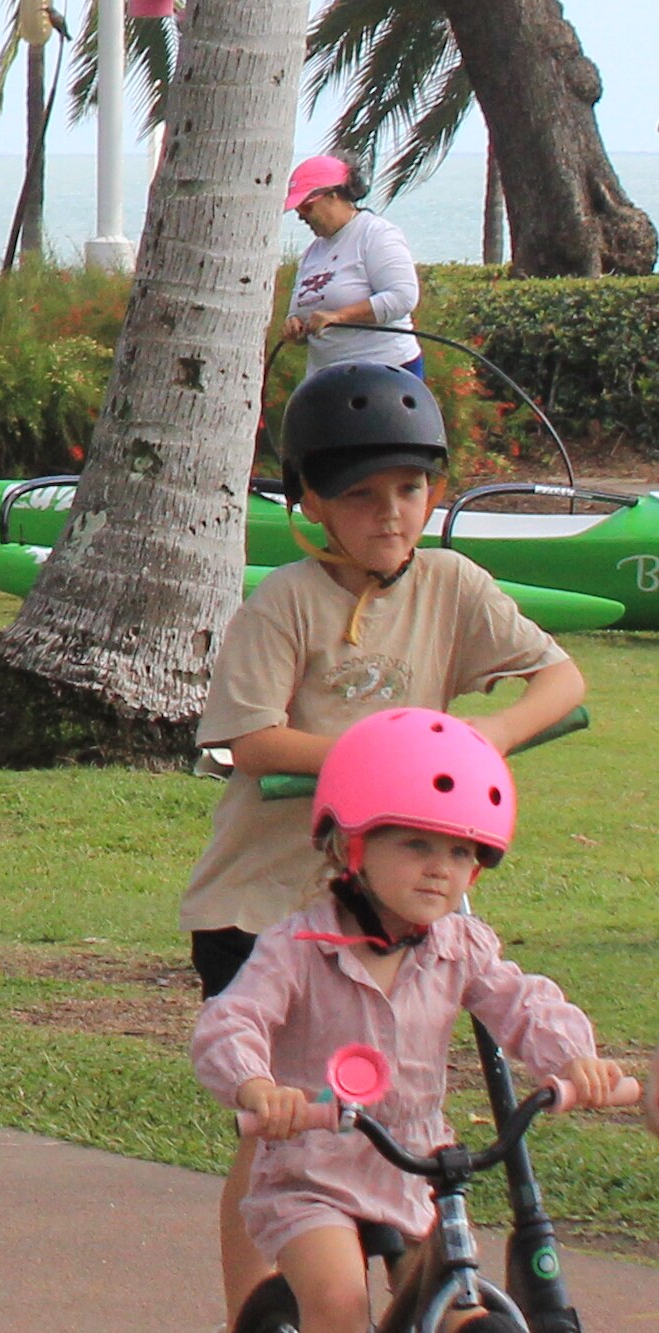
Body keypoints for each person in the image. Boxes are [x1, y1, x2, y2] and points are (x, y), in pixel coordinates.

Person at [180, 359, 580, 1313]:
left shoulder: (451, 584)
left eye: (411, 489)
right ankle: (260, 1305)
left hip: (404, 902)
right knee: (274, 1127)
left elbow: (559, 679)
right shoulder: (288, 600)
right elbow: (247, 739)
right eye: (360, 495)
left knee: (402, 1106)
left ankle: (416, 1289)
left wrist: (487, 737)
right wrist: (382, 757)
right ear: (311, 501)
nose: (391, 513)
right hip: (267, 903)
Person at [193, 706, 632, 1333]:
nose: (439, 868)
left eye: (459, 852)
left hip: (418, 1164)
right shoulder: (298, 946)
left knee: (457, 1304)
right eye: (416, 845)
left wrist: (574, 1061)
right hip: (310, 1169)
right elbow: (233, 1018)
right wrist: (258, 1087)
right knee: (340, 1301)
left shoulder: (462, 947)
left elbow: (522, 1001)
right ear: (353, 847)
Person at [278, 156, 422, 375]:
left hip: (385, 372)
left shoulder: (376, 234)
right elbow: (301, 307)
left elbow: (403, 297)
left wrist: (340, 316)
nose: (301, 217)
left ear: (333, 196)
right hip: (328, 376)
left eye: (306, 207)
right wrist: (293, 323)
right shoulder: (312, 253)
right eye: (297, 210)